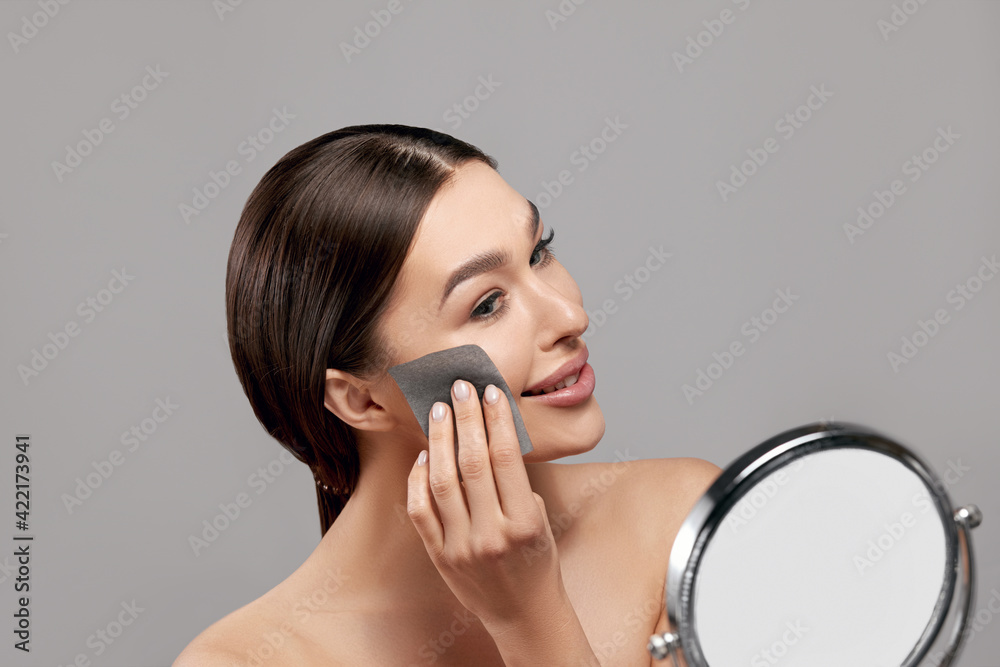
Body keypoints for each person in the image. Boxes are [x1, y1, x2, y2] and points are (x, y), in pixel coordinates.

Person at [174, 125, 720, 666]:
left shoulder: (685, 528)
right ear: (360, 401)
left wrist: (531, 616)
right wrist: (525, 616)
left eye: (539, 253)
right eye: (486, 304)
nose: (569, 315)